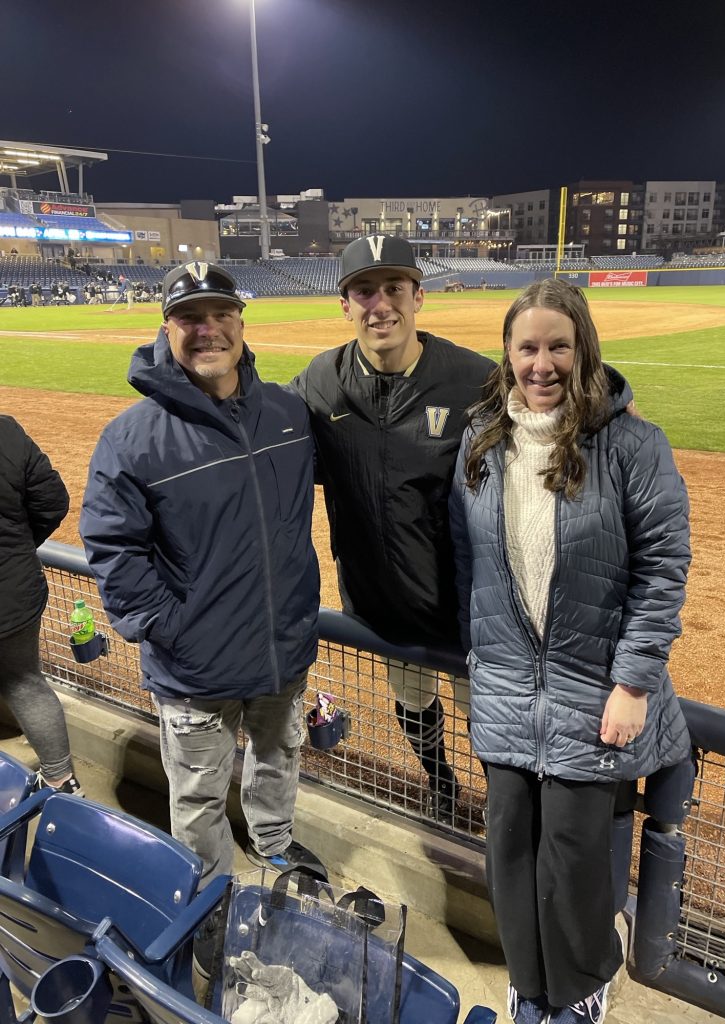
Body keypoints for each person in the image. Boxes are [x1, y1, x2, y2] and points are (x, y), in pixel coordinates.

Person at [449, 278, 692, 1024]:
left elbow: (662, 567)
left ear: (583, 348)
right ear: (507, 352)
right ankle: (530, 984)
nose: (542, 363)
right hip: (506, 687)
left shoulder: (631, 444)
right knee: (509, 850)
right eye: (528, 347)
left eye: (559, 346)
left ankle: (582, 984)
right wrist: (481, 659)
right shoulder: (481, 440)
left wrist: (634, 683)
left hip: (593, 690)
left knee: (575, 857)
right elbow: (467, 559)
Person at [80, 262, 323, 914]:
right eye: (190, 317)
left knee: (279, 758)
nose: (207, 329)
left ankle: (273, 843)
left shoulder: (288, 414)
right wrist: (173, 628)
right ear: (167, 328)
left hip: (281, 648)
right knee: (197, 796)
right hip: (195, 667)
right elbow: (112, 546)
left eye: (221, 314)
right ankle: (209, 899)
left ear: (242, 322)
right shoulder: (132, 438)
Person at [293, 235, 495, 823]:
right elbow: (256, 420)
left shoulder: (472, 377)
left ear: (418, 297)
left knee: (483, 712)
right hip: (380, 600)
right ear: (345, 305)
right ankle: (440, 781)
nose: (380, 304)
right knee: (413, 700)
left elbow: (550, 396)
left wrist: (612, 396)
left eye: (394, 288)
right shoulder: (322, 380)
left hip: (464, 604)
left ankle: (502, 801)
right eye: (364, 291)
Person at [0, 416, 82, 795]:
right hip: (13, 593)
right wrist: (18, 549)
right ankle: (63, 782)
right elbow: (52, 501)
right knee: (26, 684)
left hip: (13, 590)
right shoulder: (5, 430)